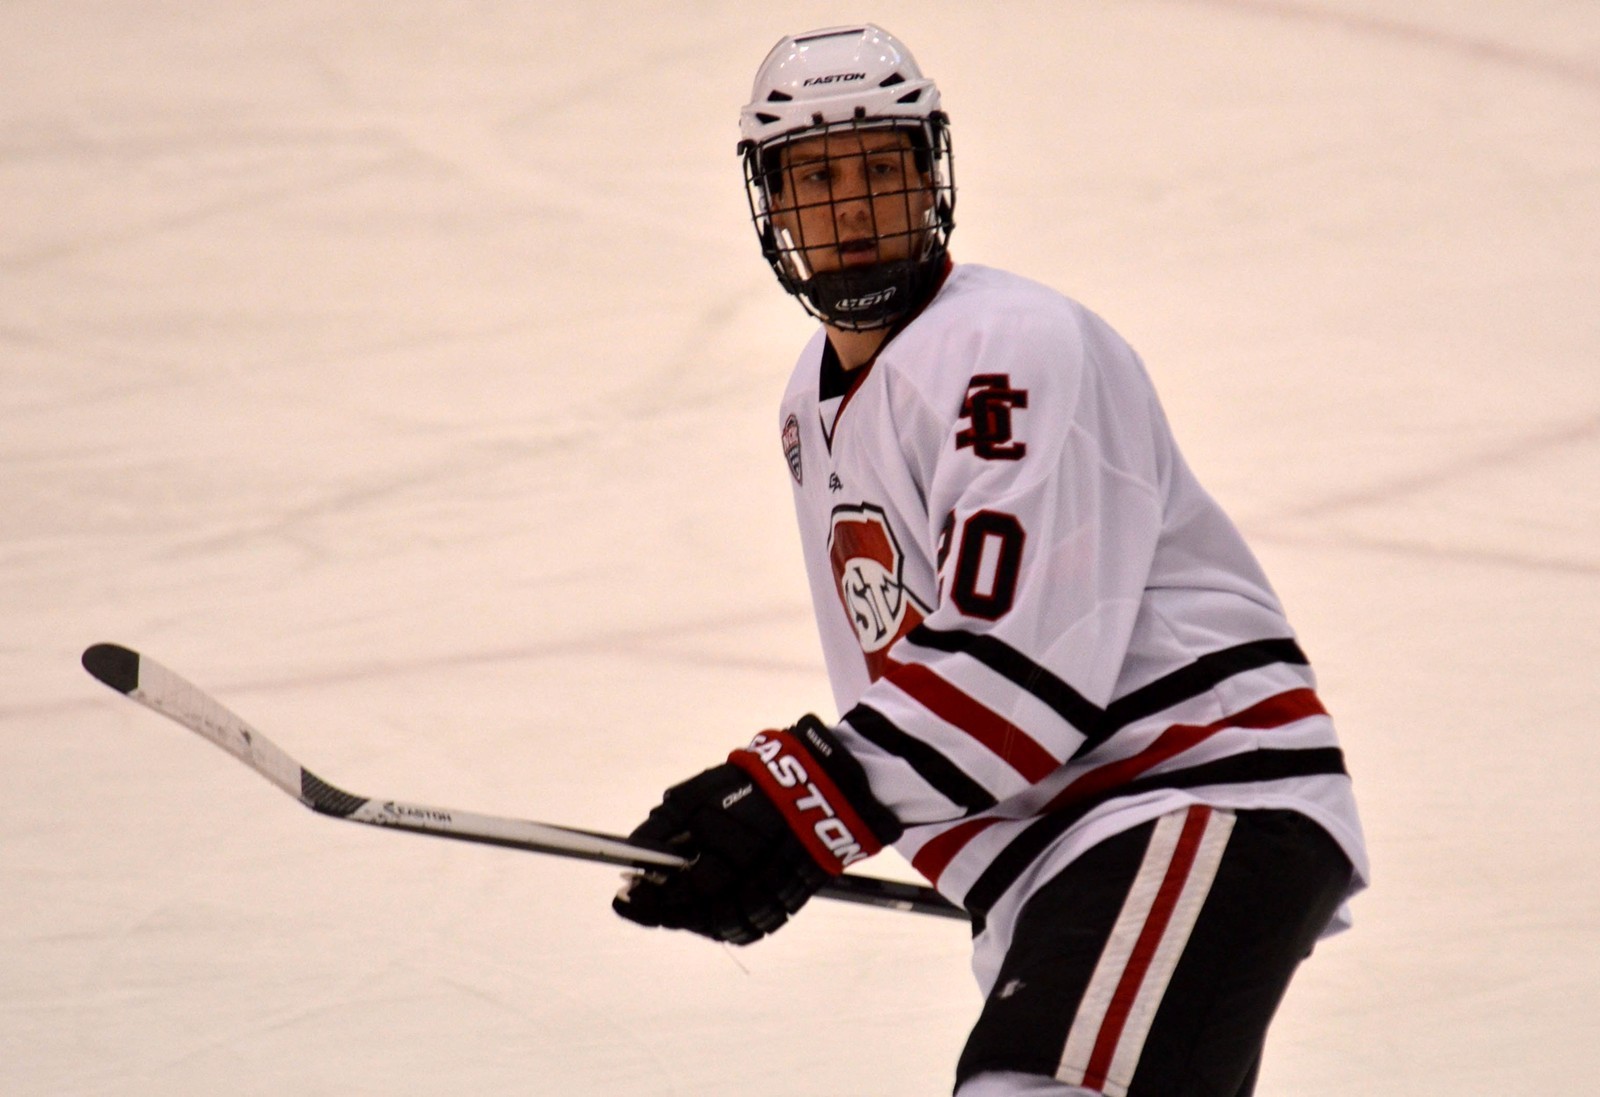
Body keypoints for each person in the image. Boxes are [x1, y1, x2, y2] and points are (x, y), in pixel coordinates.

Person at [613, 24, 1368, 1097]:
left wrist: (806, 799)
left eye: (882, 166)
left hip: (1185, 796)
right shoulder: (807, 405)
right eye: (817, 178)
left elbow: (1023, 666)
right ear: (770, 207)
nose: (855, 205)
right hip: (1062, 854)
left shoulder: (1008, 349)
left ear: (933, 178)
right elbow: (910, 660)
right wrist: (793, 822)